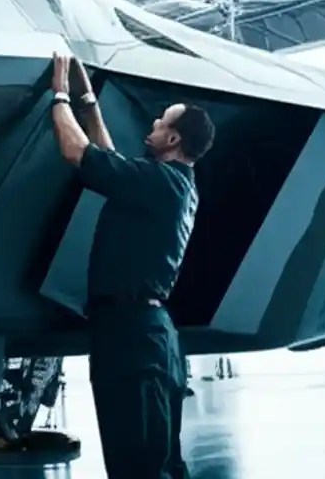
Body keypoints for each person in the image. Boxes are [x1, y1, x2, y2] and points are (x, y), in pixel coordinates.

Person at [47, 52, 215, 479]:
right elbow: (110, 162)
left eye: (161, 123)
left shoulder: (160, 184)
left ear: (174, 140)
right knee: (152, 458)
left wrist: (59, 95)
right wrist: (87, 103)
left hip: (133, 339)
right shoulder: (168, 185)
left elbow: (75, 152)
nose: (153, 126)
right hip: (141, 333)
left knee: (138, 463)